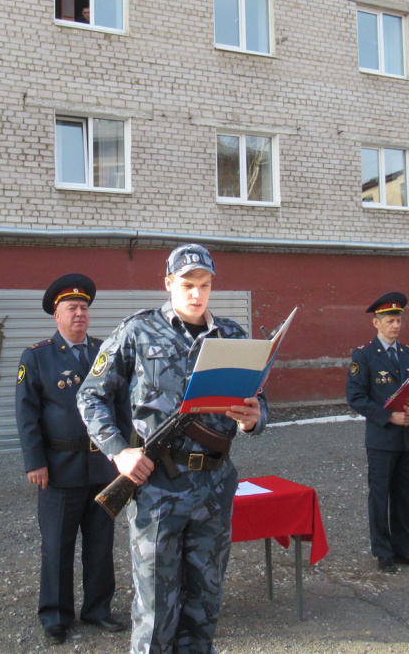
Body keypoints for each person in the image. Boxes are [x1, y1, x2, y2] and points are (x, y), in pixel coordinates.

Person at [78, 243, 268, 654]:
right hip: (158, 487)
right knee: (156, 608)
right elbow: (90, 395)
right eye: (187, 284)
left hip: (214, 487)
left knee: (205, 600)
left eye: (205, 284)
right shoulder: (137, 331)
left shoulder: (232, 336)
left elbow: (257, 400)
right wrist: (119, 451)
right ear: (168, 283)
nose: (197, 294)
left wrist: (253, 418)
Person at [16, 273, 128, 646]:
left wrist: (124, 455)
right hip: (59, 468)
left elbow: (121, 407)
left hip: (102, 467)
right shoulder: (38, 356)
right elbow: (27, 414)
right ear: (57, 315)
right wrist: (34, 461)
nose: (79, 314)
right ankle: (56, 616)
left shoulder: (104, 352)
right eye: (71, 308)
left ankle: (97, 609)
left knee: (100, 543)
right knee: (57, 546)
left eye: (84, 308)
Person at [345, 292, 409, 573]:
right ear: (376, 323)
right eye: (390, 321)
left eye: (398, 321)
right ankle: (383, 552)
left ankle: (405, 550)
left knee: (404, 496)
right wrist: (388, 416)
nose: (396, 326)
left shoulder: (408, 354)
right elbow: (355, 397)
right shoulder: (364, 355)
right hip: (382, 439)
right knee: (380, 496)